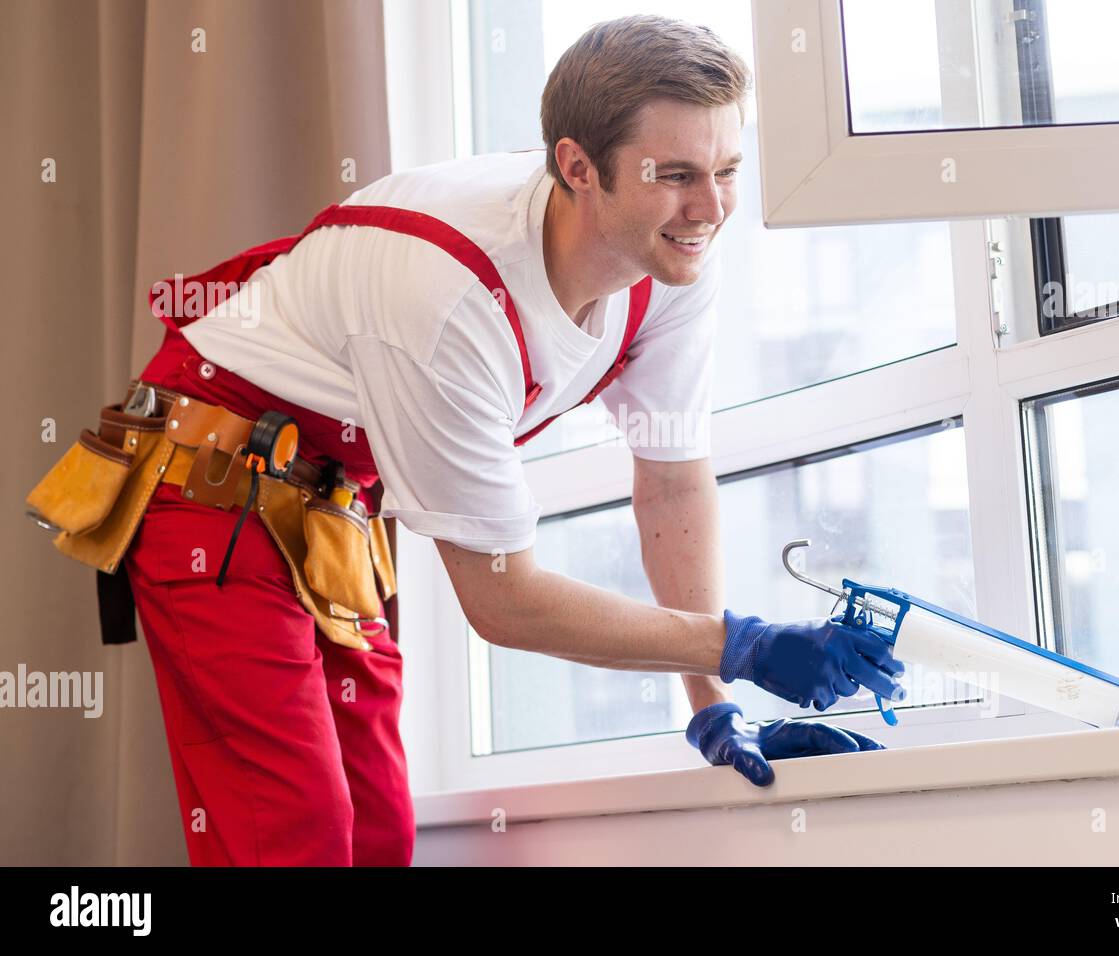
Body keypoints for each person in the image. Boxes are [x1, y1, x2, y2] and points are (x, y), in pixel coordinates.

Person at [117, 14, 905, 866]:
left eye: (725, 171)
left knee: (377, 833)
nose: (711, 209)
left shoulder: (666, 264)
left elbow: (672, 483)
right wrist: (740, 644)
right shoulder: (451, 296)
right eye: (676, 174)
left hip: (329, 500)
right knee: (295, 832)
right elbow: (503, 601)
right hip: (210, 480)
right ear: (577, 167)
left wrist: (715, 704)